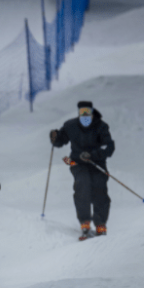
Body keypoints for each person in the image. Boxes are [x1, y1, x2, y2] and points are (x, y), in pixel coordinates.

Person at [49, 101, 115, 239]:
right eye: (82, 113)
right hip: (77, 162)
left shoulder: (101, 127)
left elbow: (109, 147)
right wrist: (55, 137)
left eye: (87, 112)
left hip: (97, 163)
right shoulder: (70, 126)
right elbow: (60, 141)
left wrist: (93, 155)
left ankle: (100, 223)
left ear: (92, 113)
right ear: (78, 113)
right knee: (82, 184)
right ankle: (85, 221)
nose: (85, 115)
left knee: (99, 187)